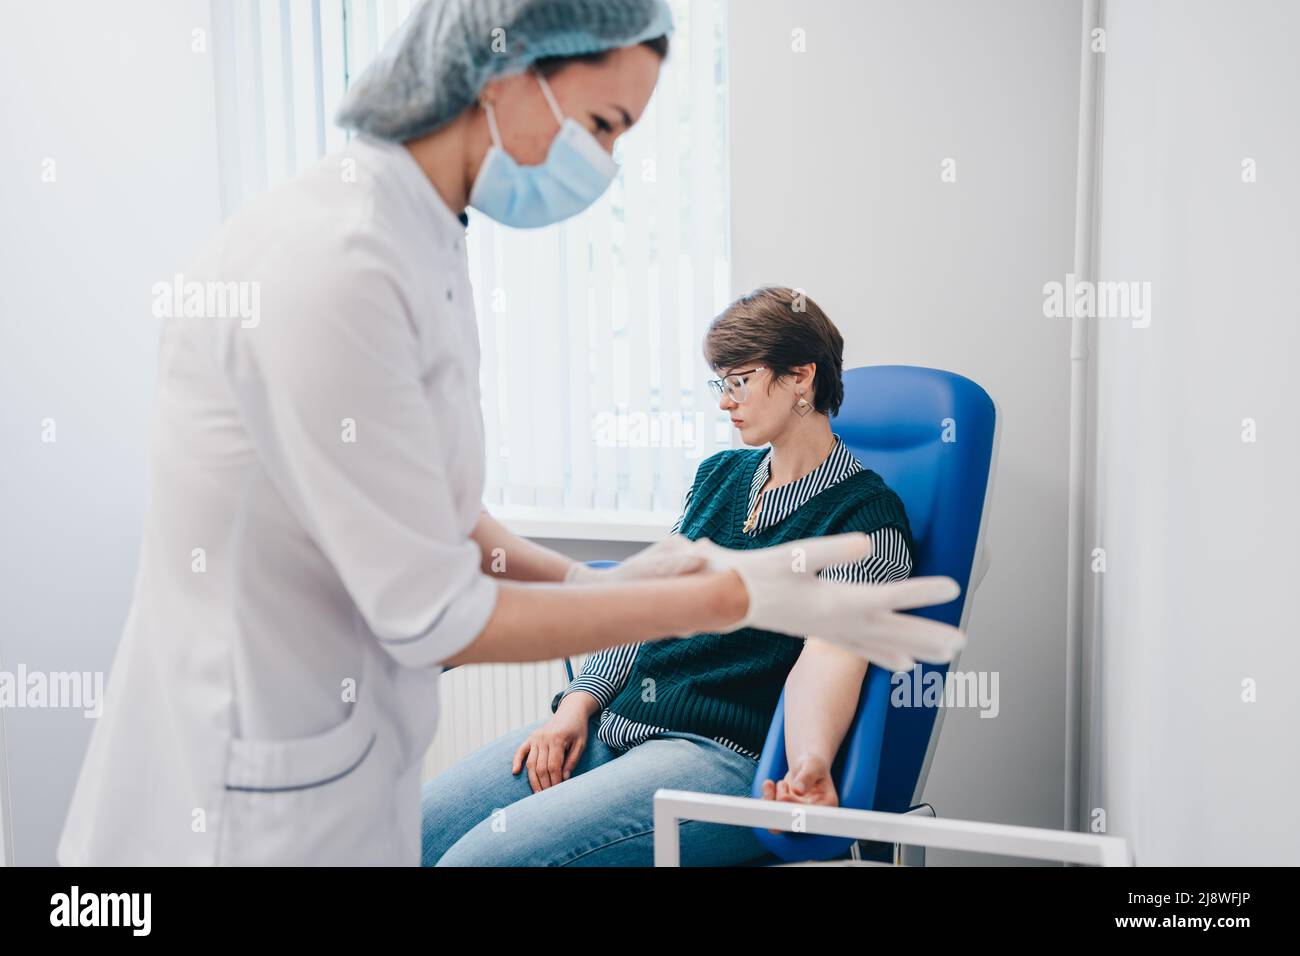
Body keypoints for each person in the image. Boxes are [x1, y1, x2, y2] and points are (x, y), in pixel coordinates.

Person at [57, 0, 962, 867]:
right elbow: (436, 613)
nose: (604, 162)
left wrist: (583, 579)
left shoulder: (427, 242)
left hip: (671, 752)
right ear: (512, 71)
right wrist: (703, 604)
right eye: (603, 124)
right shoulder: (337, 265)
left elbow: (447, 513)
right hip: (243, 778)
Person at [422, 288, 918, 866]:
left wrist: (808, 759)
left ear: (802, 376)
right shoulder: (720, 476)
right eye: (720, 382)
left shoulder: (865, 521)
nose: (725, 402)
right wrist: (577, 706)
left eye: (741, 380)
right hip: (617, 727)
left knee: (478, 861)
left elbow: (829, 657)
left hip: (720, 758)